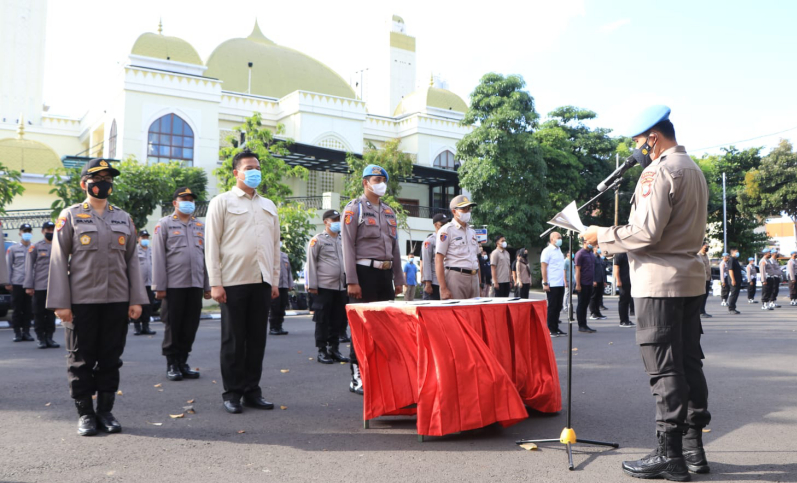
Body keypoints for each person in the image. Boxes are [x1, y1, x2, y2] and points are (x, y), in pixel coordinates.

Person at [583, 106, 711, 479]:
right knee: (689, 363)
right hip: (689, 279)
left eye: (639, 142)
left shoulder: (658, 170)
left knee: (664, 369)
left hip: (658, 283)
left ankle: (669, 456)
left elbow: (645, 233)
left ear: (653, 138)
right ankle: (693, 450)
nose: (637, 149)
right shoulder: (695, 169)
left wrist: (601, 234)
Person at [47, 157, 148, 436]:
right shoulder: (70, 216)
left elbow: (132, 262)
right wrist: (60, 303)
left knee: (110, 358)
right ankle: (85, 414)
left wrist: (136, 299)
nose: (103, 184)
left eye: (107, 179)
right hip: (82, 302)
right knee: (80, 359)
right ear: (84, 184)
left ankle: (105, 411)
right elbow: (58, 260)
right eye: (96, 179)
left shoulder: (123, 218)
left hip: (116, 301)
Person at [205, 149, 280, 414]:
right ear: (236, 173)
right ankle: (232, 393)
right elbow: (212, 244)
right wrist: (216, 282)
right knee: (234, 340)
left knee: (257, 339)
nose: (254, 171)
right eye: (249, 167)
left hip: (262, 281)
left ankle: (252, 391)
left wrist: (274, 280)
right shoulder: (222, 202)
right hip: (233, 281)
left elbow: (274, 246)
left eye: (257, 166)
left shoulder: (268, 205)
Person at [342, 164, 405, 395]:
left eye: (383, 180)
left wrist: (398, 278)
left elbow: (395, 247)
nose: (380, 183)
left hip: (385, 275)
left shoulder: (389, 212)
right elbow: (347, 245)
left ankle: (379, 373)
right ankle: (357, 377)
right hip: (363, 274)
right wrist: (351, 280)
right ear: (365, 183)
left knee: (385, 327)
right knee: (361, 327)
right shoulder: (354, 209)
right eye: (376, 179)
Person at [152, 187, 211, 382]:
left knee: (190, 325)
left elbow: (206, 257)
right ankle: (172, 364)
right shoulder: (165, 224)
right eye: (183, 198)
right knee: (173, 325)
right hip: (173, 285)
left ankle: (183, 362)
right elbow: (158, 257)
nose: (188, 202)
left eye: (191, 199)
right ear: (175, 203)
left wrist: (208, 285)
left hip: (195, 284)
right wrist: (159, 286)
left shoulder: (200, 226)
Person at [306, 210, 350, 365]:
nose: (338, 221)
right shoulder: (317, 240)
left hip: (340, 287)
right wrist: (312, 285)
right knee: (323, 320)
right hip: (323, 287)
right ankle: (322, 350)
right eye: (334, 219)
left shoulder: (343, 239)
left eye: (339, 219)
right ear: (326, 221)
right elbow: (311, 263)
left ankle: (334, 349)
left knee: (337, 320)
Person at [436, 195, 480, 300]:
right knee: (457, 314)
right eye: (464, 209)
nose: (467, 211)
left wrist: (480, 284)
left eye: (469, 209)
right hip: (456, 277)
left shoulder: (472, 232)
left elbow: (476, 258)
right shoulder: (446, 230)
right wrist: (443, 288)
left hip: (474, 277)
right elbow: (438, 260)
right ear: (454, 211)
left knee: (474, 314)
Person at [24, 221, 59, 348]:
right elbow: (29, 267)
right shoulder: (36, 247)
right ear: (42, 231)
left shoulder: (59, 246)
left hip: (54, 286)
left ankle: (49, 338)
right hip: (39, 286)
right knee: (39, 313)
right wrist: (29, 285)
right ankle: (41, 339)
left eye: (52, 230)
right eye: (47, 230)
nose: (50, 232)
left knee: (51, 314)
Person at [7, 223, 34, 342]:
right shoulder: (12, 249)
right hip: (17, 282)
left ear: (31, 233)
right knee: (17, 309)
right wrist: (7, 282)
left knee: (28, 309)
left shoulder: (34, 248)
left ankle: (26, 332)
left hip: (31, 284)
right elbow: (8, 266)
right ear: (20, 233)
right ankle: (17, 333)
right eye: (24, 231)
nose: (26, 233)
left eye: (28, 231)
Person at [541, 232, 567, 337]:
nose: (560, 239)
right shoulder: (547, 251)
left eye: (561, 237)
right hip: (552, 283)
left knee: (558, 306)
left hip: (560, 283)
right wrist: (545, 282)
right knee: (552, 306)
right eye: (558, 237)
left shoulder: (559, 251)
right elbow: (543, 267)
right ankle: (550, 328)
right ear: (552, 239)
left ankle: (556, 327)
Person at [131, 230, 156, 336]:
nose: (145, 240)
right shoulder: (134, 250)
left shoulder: (152, 250)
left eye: (147, 238)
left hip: (150, 283)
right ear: (138, 239)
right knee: (138, 305)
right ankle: (137, 327)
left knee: (148, 306)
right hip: (138, 284)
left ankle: (146, 327)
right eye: (143, 237)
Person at [268, 236, 292, 336]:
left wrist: (290, 284)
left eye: (280, 241)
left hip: (284, 285)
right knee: (275, 307)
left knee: (282, 306)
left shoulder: (284, 255)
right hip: (274, 286)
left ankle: (279, 326)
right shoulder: (269, 255)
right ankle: (273, 327)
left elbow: (289, 271)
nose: (280, 243)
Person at [421, 213, 448, 300]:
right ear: (436, 225)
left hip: (447, 281)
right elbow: (427, 262)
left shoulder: (448, 239)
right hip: (434, 283)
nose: (445, 227)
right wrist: (428, 283)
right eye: (442, 224)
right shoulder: (429, 241)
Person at [574, 240, 597, 333]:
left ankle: (585, 324)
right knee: (581, 305)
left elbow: (591, 269)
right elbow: (577, 270)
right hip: (582, 283)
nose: (591, 244)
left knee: (585, 304)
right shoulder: (580, 254)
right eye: (589, 242)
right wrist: (578, 284)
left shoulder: (591, 254)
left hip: (589, 283)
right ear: (584, 242)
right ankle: (581, 325)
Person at [613, 252, 635, 328]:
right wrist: (618, 280)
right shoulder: (619, 254)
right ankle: (622, 321)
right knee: (623, 301)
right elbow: (616, 268)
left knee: (627, 301)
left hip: (629, 280)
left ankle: (626, 320)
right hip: (623, 281)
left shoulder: (628, 253)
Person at [590, 246, 608, 320]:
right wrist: (593, 280)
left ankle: (598, 312)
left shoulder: (600, 258)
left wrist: (604, 281)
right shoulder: (592, 258)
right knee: (593, 297)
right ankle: (593, 313)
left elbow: (603, 271)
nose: (599, 249)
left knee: (599, 297)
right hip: (595, 281)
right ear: (594, 248)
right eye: (597, 247)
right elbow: (592, 270)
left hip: (601, 280)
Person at [698, 242, 713, 317]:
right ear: (701, 247)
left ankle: (703, 310)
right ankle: (700, 312)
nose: (707, 248)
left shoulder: (706, 256)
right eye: (705, 246)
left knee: (705, 295)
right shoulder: (698, 256)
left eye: (708, 247)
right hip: (702, 279)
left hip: (707, 278)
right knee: (702, 295)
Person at [727, 249, 742, 314]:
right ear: (733, 253)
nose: (738, 253)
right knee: (733, 294)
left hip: (737, 280)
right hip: (734, 280)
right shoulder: (731, 260)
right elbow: (730, 270)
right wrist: (733, 280)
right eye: (736, 252)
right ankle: (731, 308)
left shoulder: (735, 260)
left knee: (736, 294)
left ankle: (733, 307)